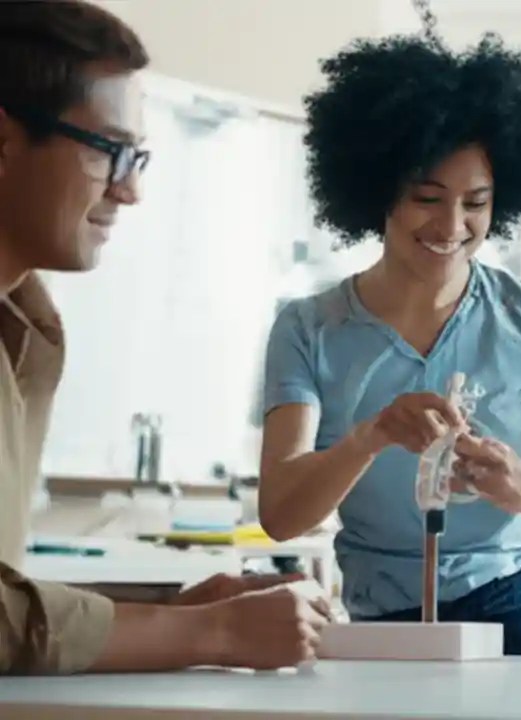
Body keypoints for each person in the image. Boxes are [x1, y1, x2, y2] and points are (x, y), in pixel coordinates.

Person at [257, 14, 521, 656]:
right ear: (377, 192)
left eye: (476, 203)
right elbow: (281, 515)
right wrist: (371, 437)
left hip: (519, 599)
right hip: (383, 612)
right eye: (428, 197)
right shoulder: (308, 330)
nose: (453, 224)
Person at [0, 1, 328, 674]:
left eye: (138, 156)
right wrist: (216, 635)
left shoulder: (26, 331)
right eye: (111, 152)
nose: (131, 192)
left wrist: (176, 616)